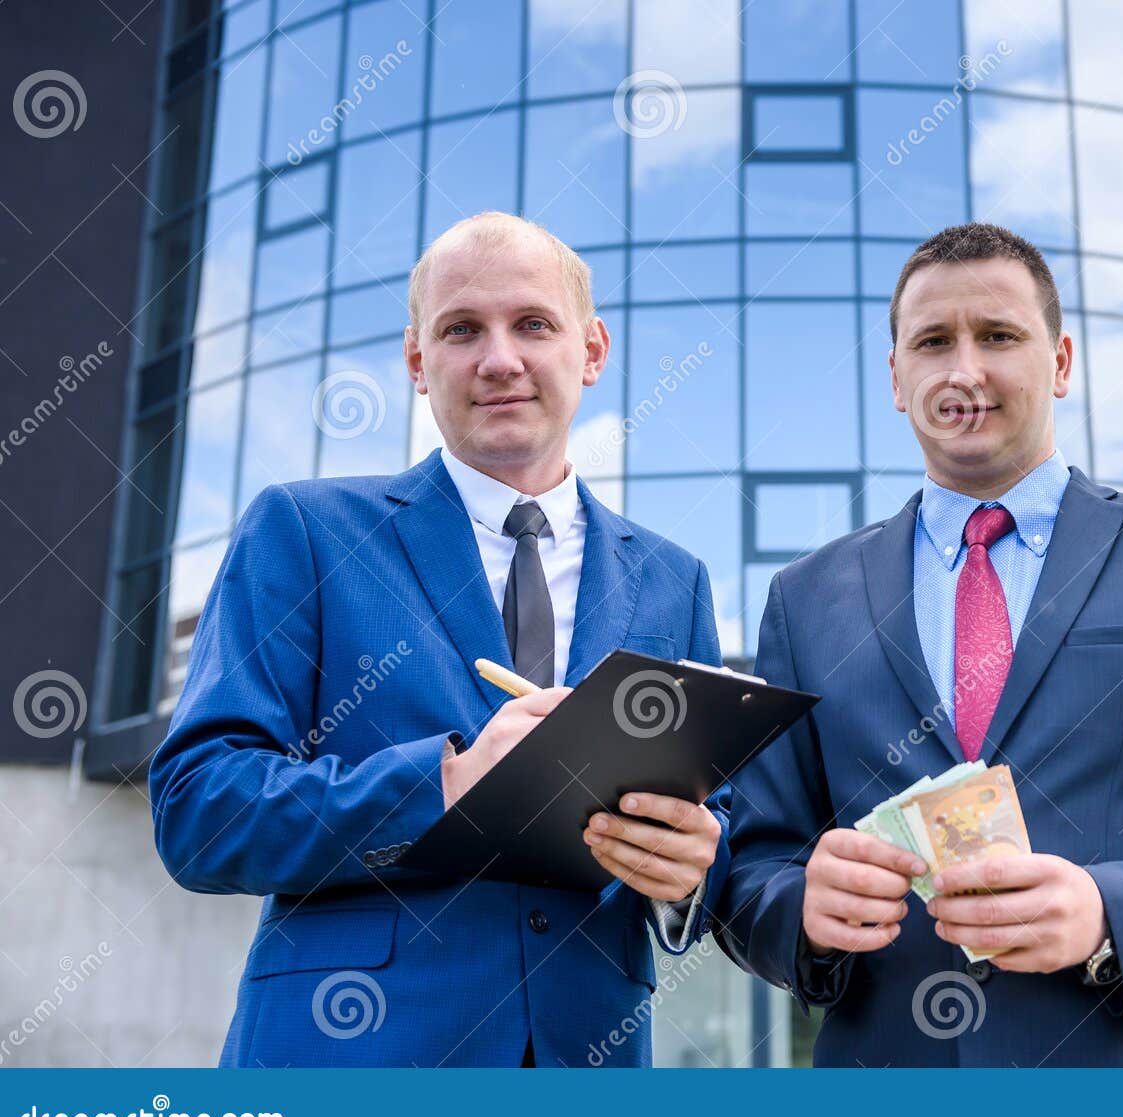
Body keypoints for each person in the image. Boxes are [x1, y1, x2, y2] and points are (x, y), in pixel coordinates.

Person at [714, 222, 1123, 1066]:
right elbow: (749, 875)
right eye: (932, 343)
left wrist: (1113, 910)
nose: (965, 371)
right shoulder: (806, 599)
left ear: (1061, 362)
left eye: (998, 336)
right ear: (896, 377)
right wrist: (802, 909)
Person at [150, 212, 726, 1067]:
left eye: (533, 324)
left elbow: (714, 834)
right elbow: (201, 811)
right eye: (462, 330)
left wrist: (690, 875)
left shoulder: (675, 580)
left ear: (593, 351)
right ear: (420, 363)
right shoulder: (304, 531)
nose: (500, 359)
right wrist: (448, 785)